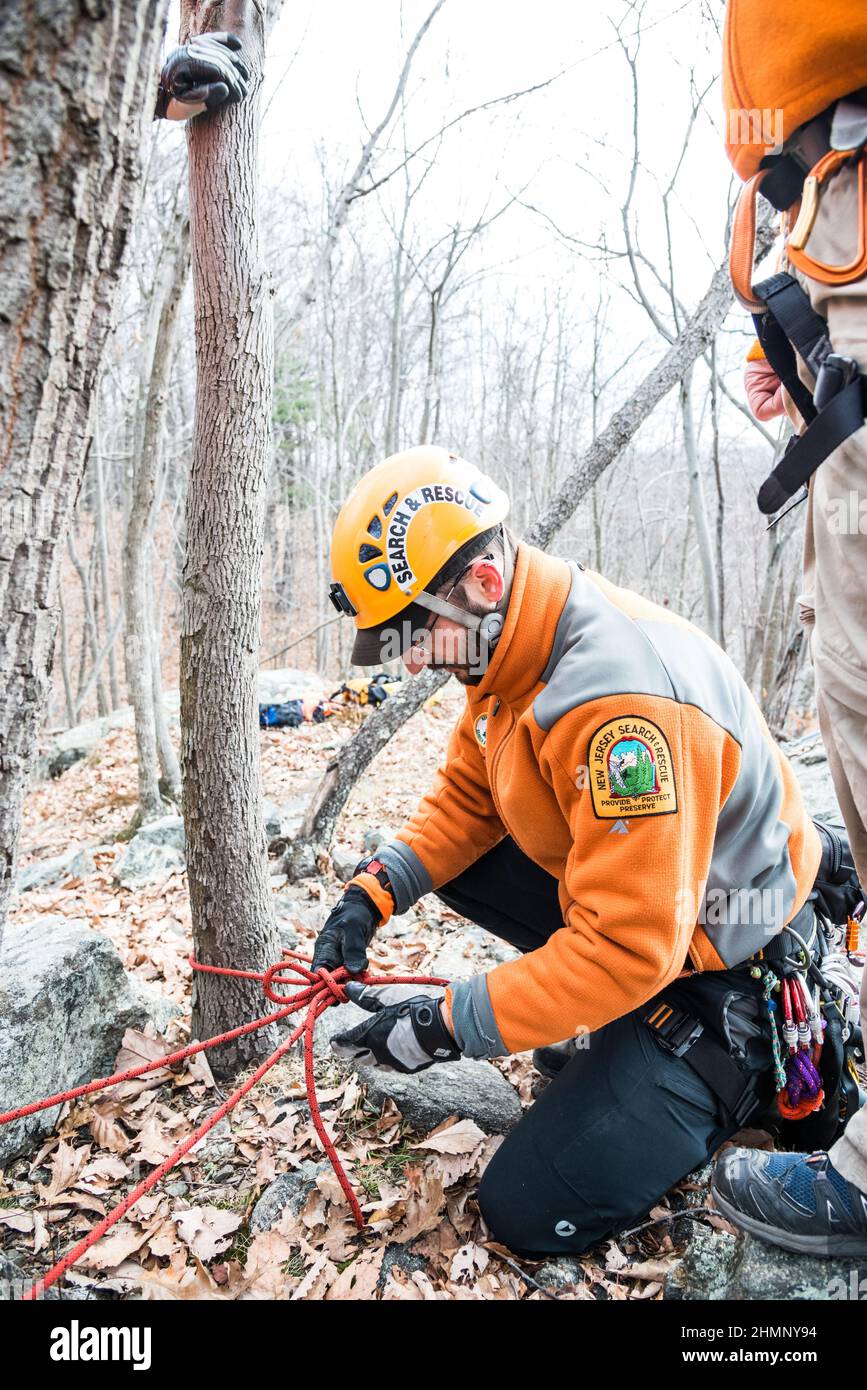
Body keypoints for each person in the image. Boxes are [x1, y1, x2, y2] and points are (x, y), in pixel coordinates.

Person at [309, 444, 865, 1257]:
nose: (414, 659)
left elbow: (628, 945)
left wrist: (442, 1027)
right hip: (655, 910)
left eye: (415, 634)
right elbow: (471, 795)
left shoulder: (619, 707)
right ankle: (622, 1032)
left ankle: (727, 1067)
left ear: (482, 585)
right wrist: (374, 891)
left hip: (723, 958)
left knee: (526, 1209)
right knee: (458, 871)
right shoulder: (510, 645)